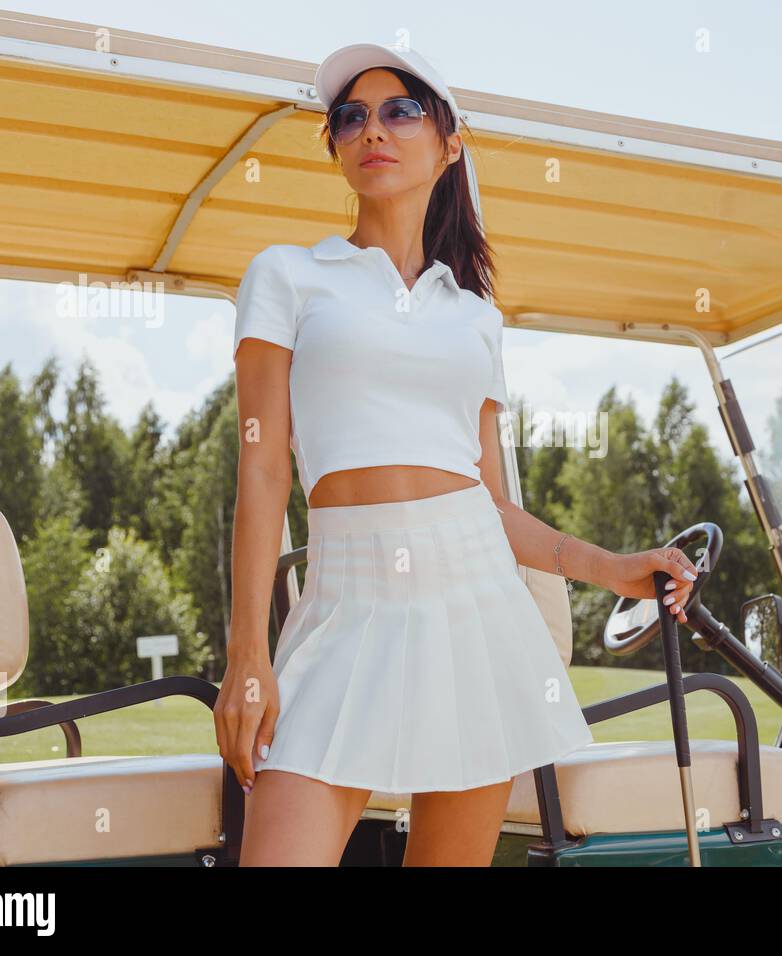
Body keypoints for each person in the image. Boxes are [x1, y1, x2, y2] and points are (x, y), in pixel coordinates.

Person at [217, 41, 698, 867]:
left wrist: (612, 567)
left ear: (450, 141)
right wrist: (246, 656)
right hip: (343, 598)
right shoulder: (287, 276)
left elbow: (494, 504)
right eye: (351, 116)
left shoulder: (474, 316)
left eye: (400, 109)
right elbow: (261, 471)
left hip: (474, 603)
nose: (374, 128)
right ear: (333, 144)